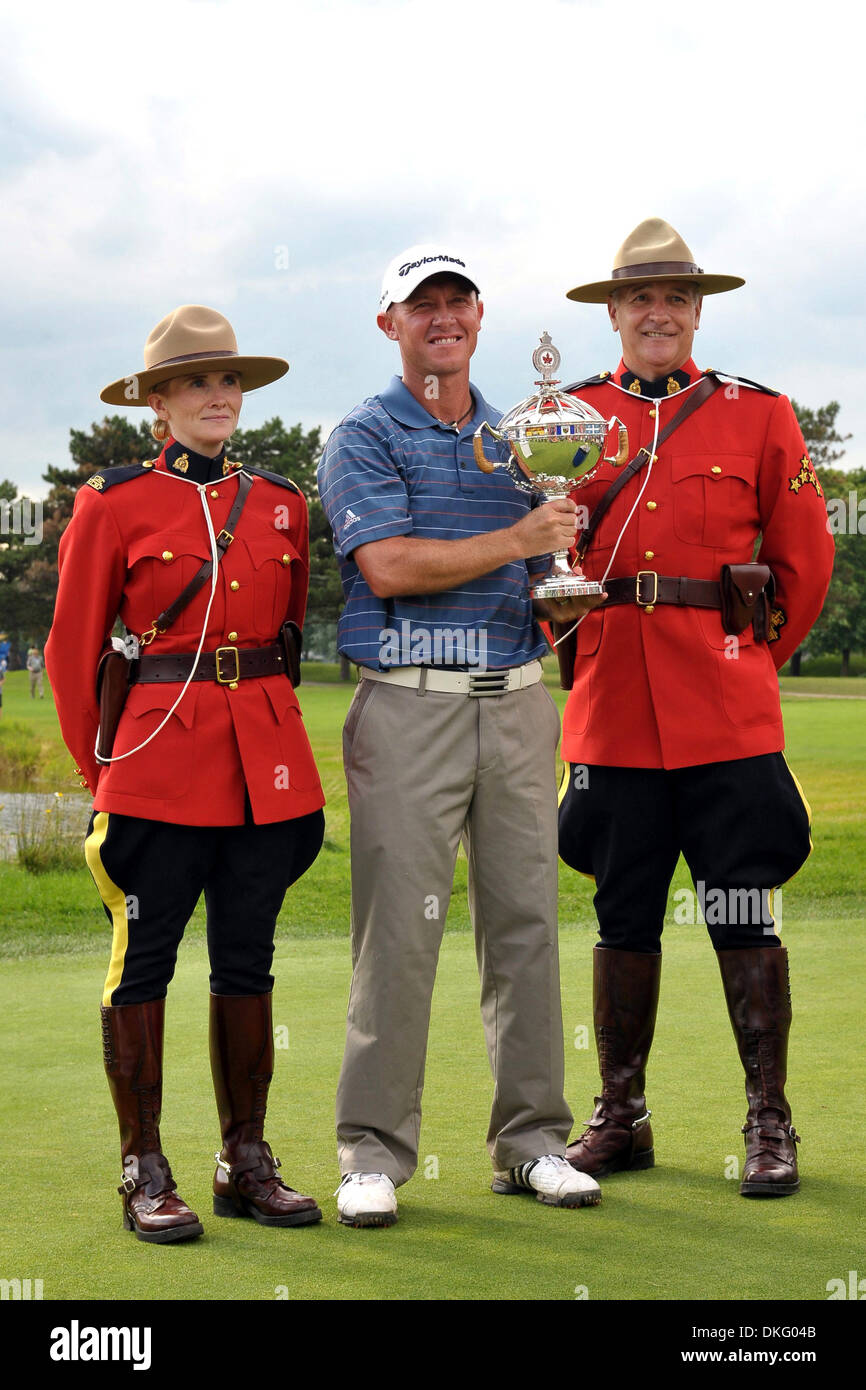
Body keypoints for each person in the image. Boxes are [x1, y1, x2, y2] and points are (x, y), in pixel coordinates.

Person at [317, 244, 604, 1228]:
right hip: (409, 702)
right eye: (418, 304)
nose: (440, 316)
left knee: (525, 922)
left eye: (456, 301)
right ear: (389, 324)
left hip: (518, 699)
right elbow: (389, 565)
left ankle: (532, 1143)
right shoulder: (362, 433)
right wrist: (521, 542)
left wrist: (556, 559)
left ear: (478, 318)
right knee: (398, 931)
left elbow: (538, 573)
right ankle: (372, 1152)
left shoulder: (521, 434)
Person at [556, 218, 834, 1197]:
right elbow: (541, 555)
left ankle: (767, 1120)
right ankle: (618, 1116)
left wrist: (746, 656)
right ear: (614, 311)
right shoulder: (568, 421)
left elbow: (803, 563)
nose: (657, 312)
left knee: (739, 910)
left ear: (696, 310)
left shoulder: (759, 414)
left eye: (674, 297)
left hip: (724, 709)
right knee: (619, 914)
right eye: (639, 297)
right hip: (614, 705)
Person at [45, 305, 326, 1242]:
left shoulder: (283, 502)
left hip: (264, 767)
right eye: (198, 382)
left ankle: (245, 1161)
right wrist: (105, 776)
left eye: (230, 381)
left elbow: (284, 641)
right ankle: (144, 1167)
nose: (219, 395)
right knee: (147, 964)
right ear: (158, 400)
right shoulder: (113, 502)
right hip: (156, 763)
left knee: (249, 959)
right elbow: (71, 650)